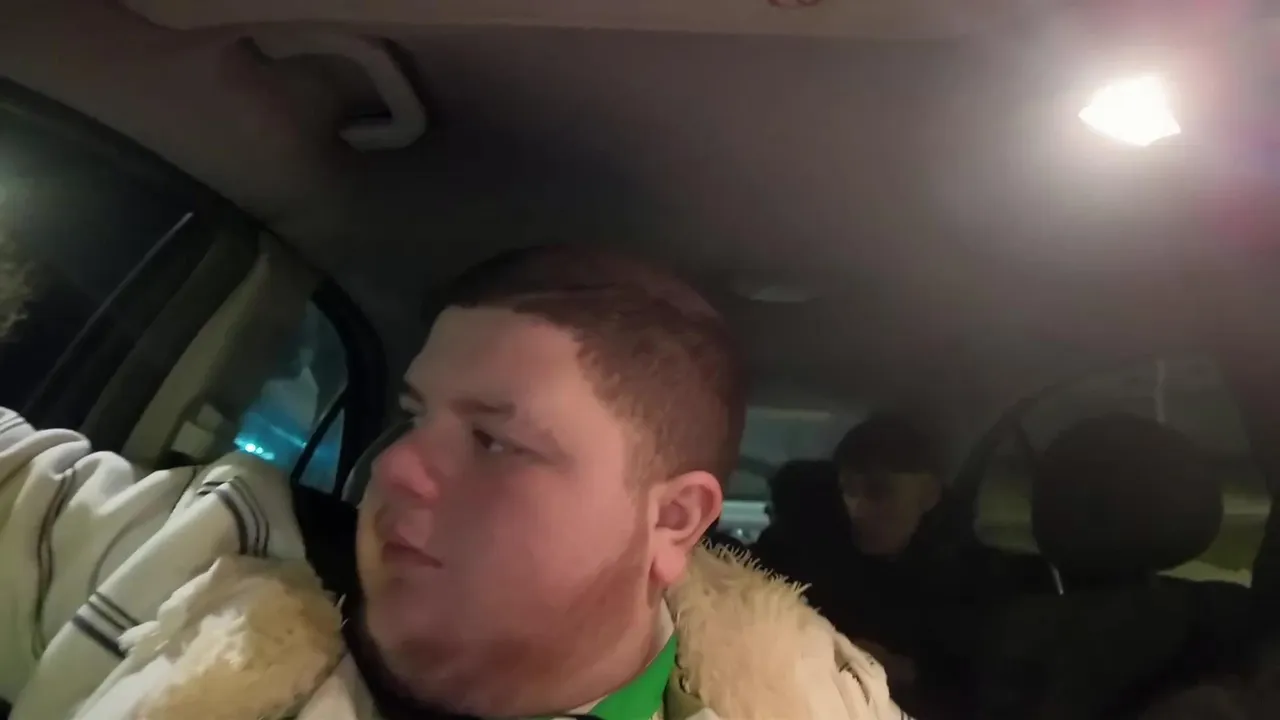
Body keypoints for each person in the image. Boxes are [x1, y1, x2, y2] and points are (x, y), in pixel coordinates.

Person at [0, 243, 906, 719]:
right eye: (412, 414)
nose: (394, 464)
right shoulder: (198, 564)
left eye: (495, 442)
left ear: (672, 520)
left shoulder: (810, 707)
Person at [755, 413, 1006, 717]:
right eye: (848, 490)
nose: (857, 508)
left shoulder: (976, 585)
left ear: (928, 495)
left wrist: (903, 671)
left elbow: (977, 691)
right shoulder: (808, 562)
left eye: (879, 491)